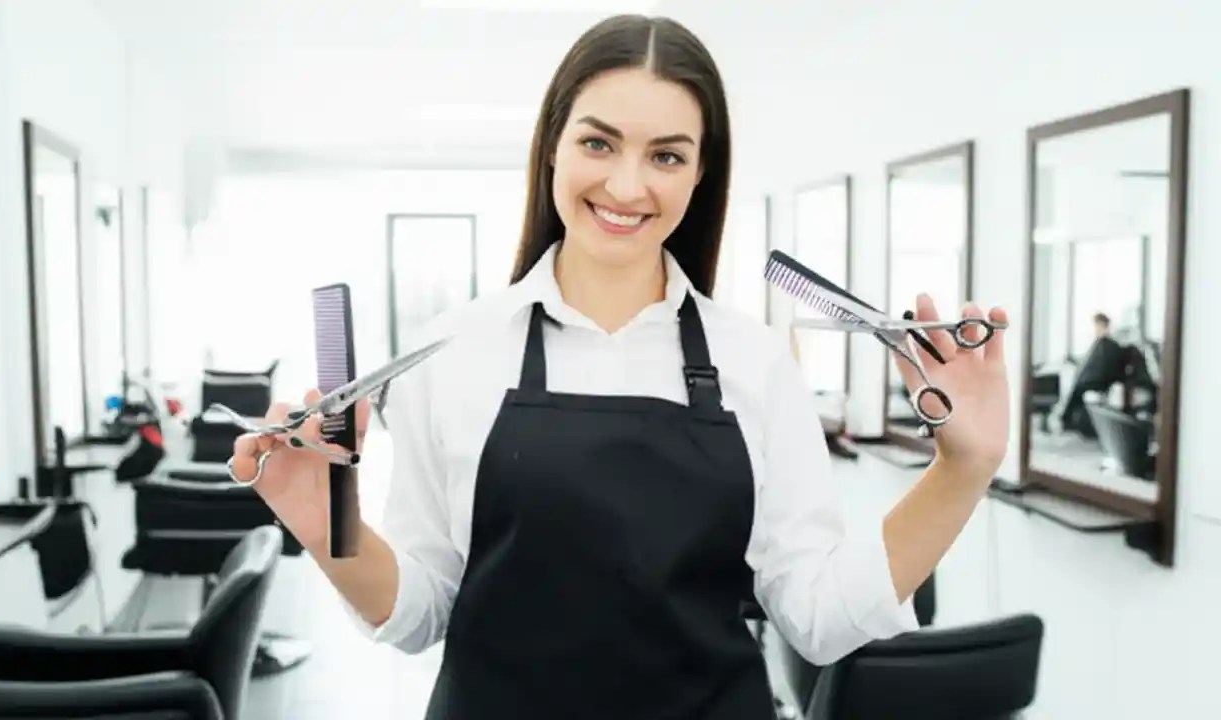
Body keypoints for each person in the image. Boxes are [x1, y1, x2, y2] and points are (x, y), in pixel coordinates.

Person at [228, 14, 1010, 719]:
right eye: (598, 143)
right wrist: (330, 530)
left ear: (699, 174)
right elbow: (419, 613)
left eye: (666, 155)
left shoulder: (754, 362)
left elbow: (821, 619)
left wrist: (963, 467)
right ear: (553, 147)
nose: (627, 185)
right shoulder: (456, 350)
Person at [1059, 312, 1125, 435]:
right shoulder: (1102, 344)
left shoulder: (1107, 345)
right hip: (1095, 379)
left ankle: (1066, 420)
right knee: (1076, 388)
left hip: (1100, 381)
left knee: (1077, 389)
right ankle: (1067, 420)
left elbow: (1104, 368)